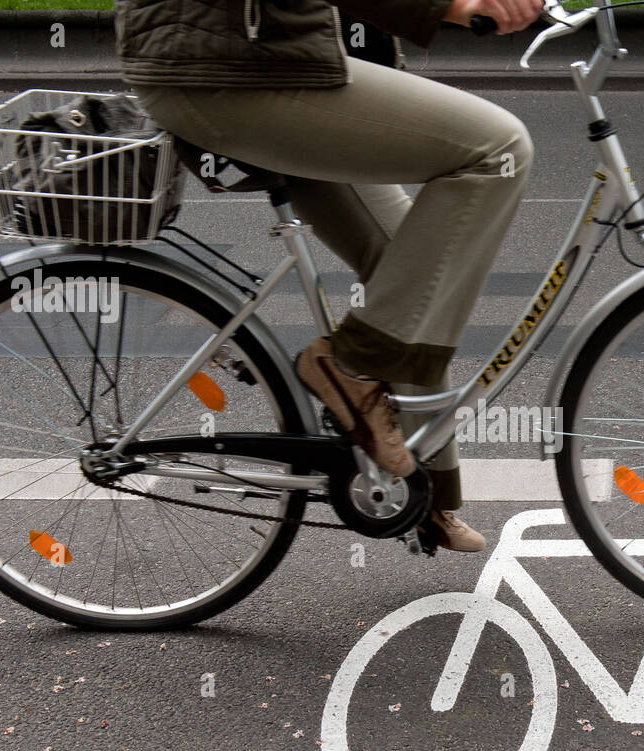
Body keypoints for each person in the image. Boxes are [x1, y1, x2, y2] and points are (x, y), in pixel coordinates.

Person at [115, 0, 545, 552]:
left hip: (254, 56)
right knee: (498, 148)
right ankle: (349, 368)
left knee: (413, 275)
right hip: (231, 66)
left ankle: (420, 491)